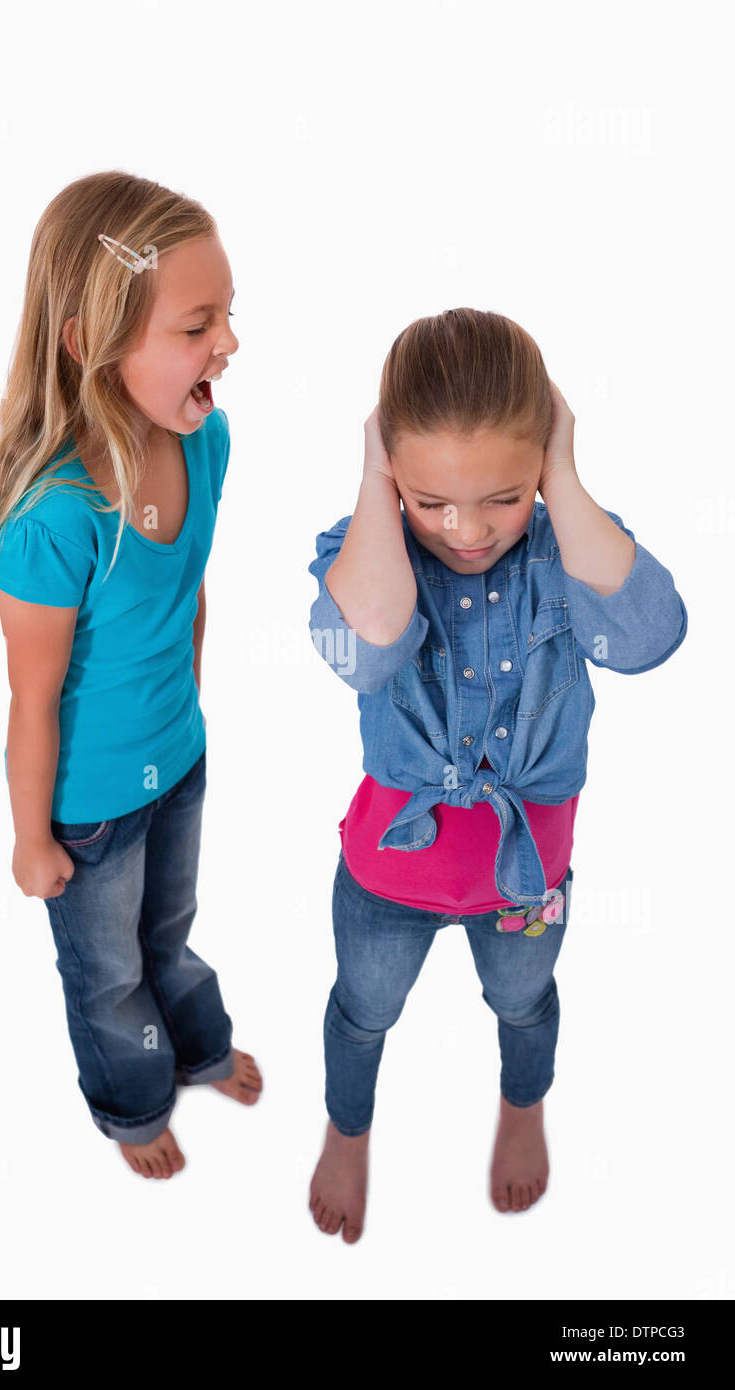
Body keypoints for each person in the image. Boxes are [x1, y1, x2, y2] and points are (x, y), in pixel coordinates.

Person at [306, 308, 688, 1241]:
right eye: (432, 500)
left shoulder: (570, 550)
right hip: (388, 879)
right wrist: (372, 482)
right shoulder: (357, 549)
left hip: (527, 882)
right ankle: (347, 1128)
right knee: (364, 1009)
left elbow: (649, 638)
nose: (467, 530)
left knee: (523, 1003)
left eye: (504, 498)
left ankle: (525, 1107)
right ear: (394, 472)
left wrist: (560, 477)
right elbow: (359, 654)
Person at [0, 170, 261, 1180]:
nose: (225, 344)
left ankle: (202, 1050)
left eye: (228, 316)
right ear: (90, 342)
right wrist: (28, 839)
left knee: (171, 936)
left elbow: (186, 595)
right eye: (196, 326)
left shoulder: (206, 437)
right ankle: (133, 1106)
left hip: (178, 759)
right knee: (108, 977)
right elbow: (33, 699)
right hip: (88, 813)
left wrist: (183, 716)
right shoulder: (54, 523)